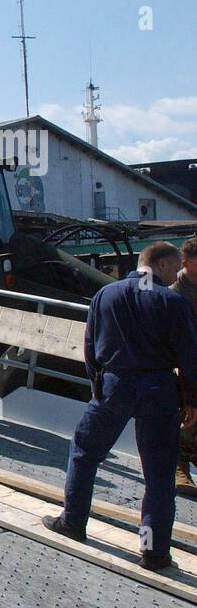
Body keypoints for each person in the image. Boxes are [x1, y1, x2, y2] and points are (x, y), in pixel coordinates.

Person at [44, 242, 197, 572]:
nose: (178, 273)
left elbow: (90, 345)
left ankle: (72, 522)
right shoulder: (174, 301)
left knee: (85, 453)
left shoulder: (106, 294)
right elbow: (189, 358)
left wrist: (97, 384)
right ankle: (153, 553)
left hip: (115, 384)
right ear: (165, 265)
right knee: (158, 475)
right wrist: (192, 401)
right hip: (158, 388)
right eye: (175, 268)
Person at [171, 237, 197, 497]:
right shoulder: (174, 293)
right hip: (184, 365)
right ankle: (180, 465)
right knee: (187, 415)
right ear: (185, 263)